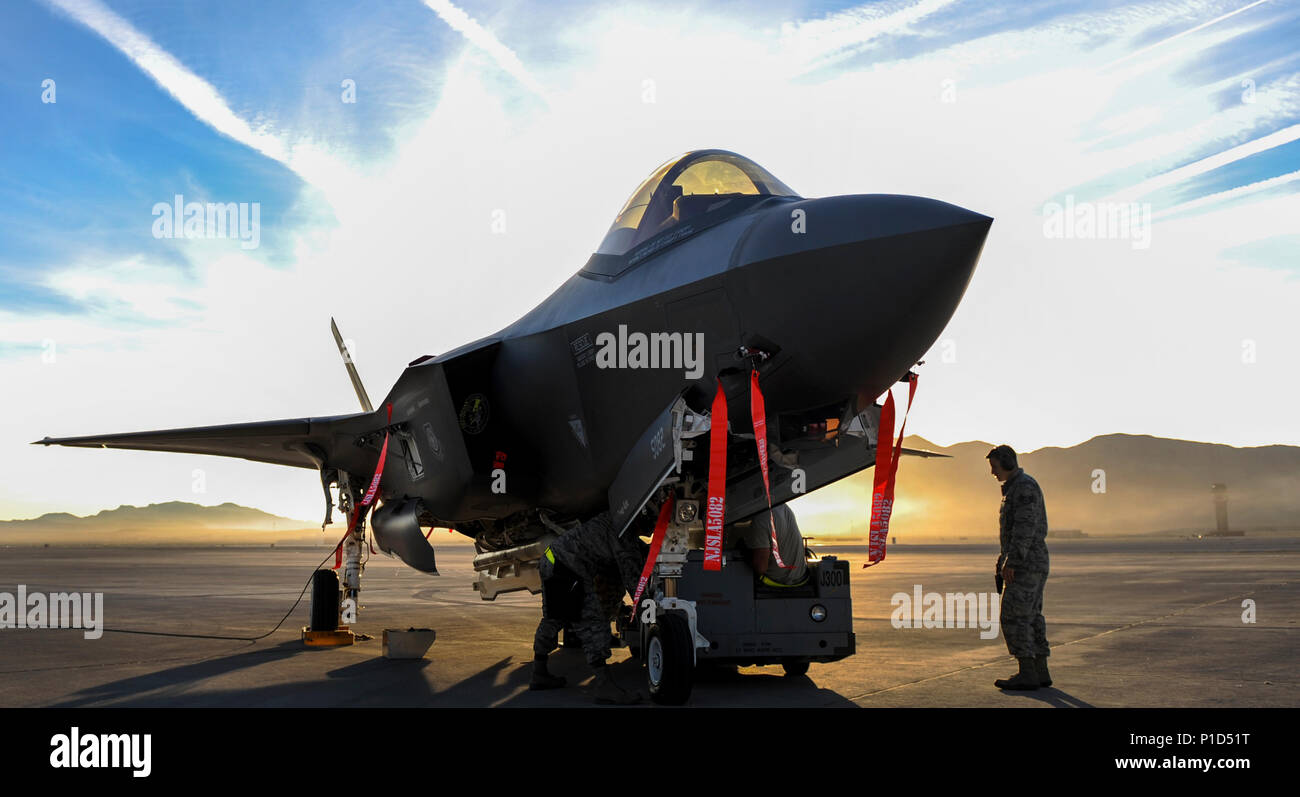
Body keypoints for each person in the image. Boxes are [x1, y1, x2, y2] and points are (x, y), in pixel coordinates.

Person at [530, 510, 648, 704]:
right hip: (566, 566)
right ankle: (604, 685)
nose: (650, 530)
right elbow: (634, 581)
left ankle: (539, 673)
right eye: (649, 526)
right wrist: (648, 610)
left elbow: (636, 550)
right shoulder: (623, 534)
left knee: (555, 617)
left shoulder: (614, 520)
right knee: (592, 620)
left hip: (552, 558)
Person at [987, 445, 1051, 690]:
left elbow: (1024, 529)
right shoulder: (1017, 487)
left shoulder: (1023, 488)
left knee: (1013, 617)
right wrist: (1003, 560)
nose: (993, 472)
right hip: (1030, 561)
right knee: (1032, 616)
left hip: (1026, 563)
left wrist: (1012, 562)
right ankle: (1040, 670)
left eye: (995, 466)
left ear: (1007, 463)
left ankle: (1027, 671)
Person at [737, 503, 808, 587]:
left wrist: (743, 552)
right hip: (802, 578)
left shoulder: (761, 519)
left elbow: (760, 568)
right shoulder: (783, 506)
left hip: (778, 583)